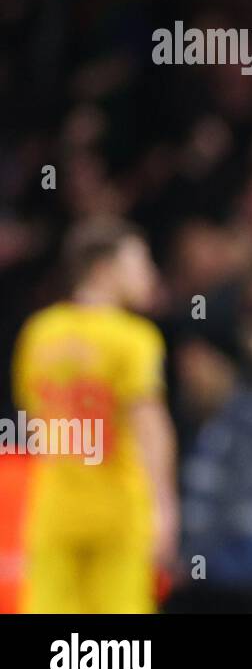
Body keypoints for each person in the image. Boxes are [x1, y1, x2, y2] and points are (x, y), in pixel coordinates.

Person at [11, 218, 179, 613]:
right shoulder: (134, 339)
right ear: (104, 268)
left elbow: (32, 418)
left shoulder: (40, 332)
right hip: (118, 513)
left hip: (54, 508)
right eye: (140, 263)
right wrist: (165, 507)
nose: (149, 275)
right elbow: (150, 427)